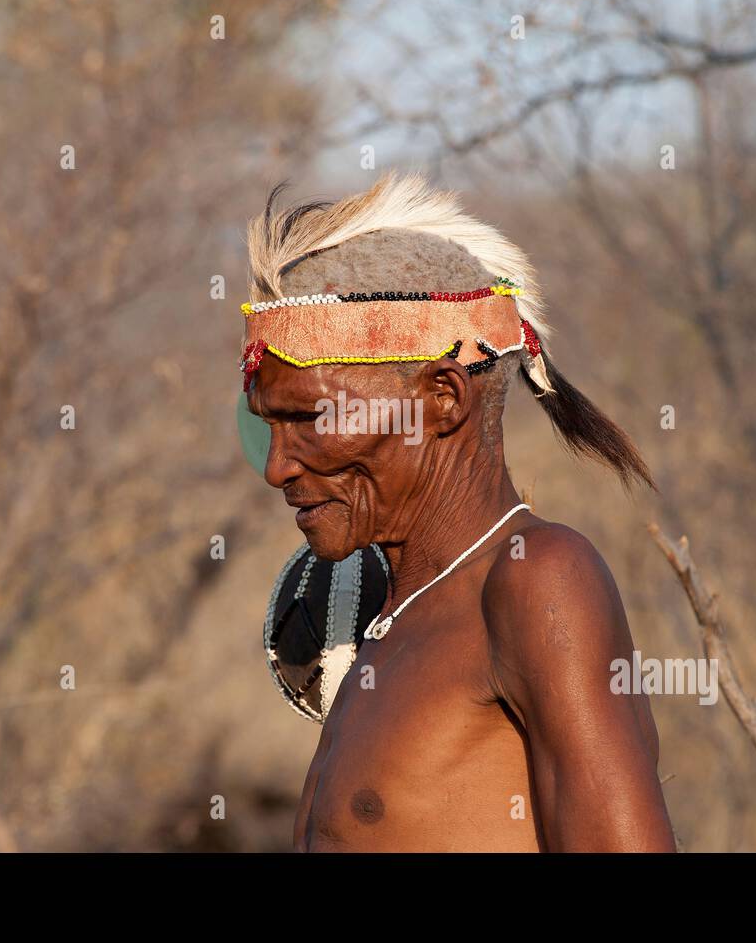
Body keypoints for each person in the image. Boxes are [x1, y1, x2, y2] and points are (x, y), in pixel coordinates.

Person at [240, 172, 676, 851]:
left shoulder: (539, 582)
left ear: (442, 396)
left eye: (312, 418)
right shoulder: (381, 617)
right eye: (269, 423)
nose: (277, 466)